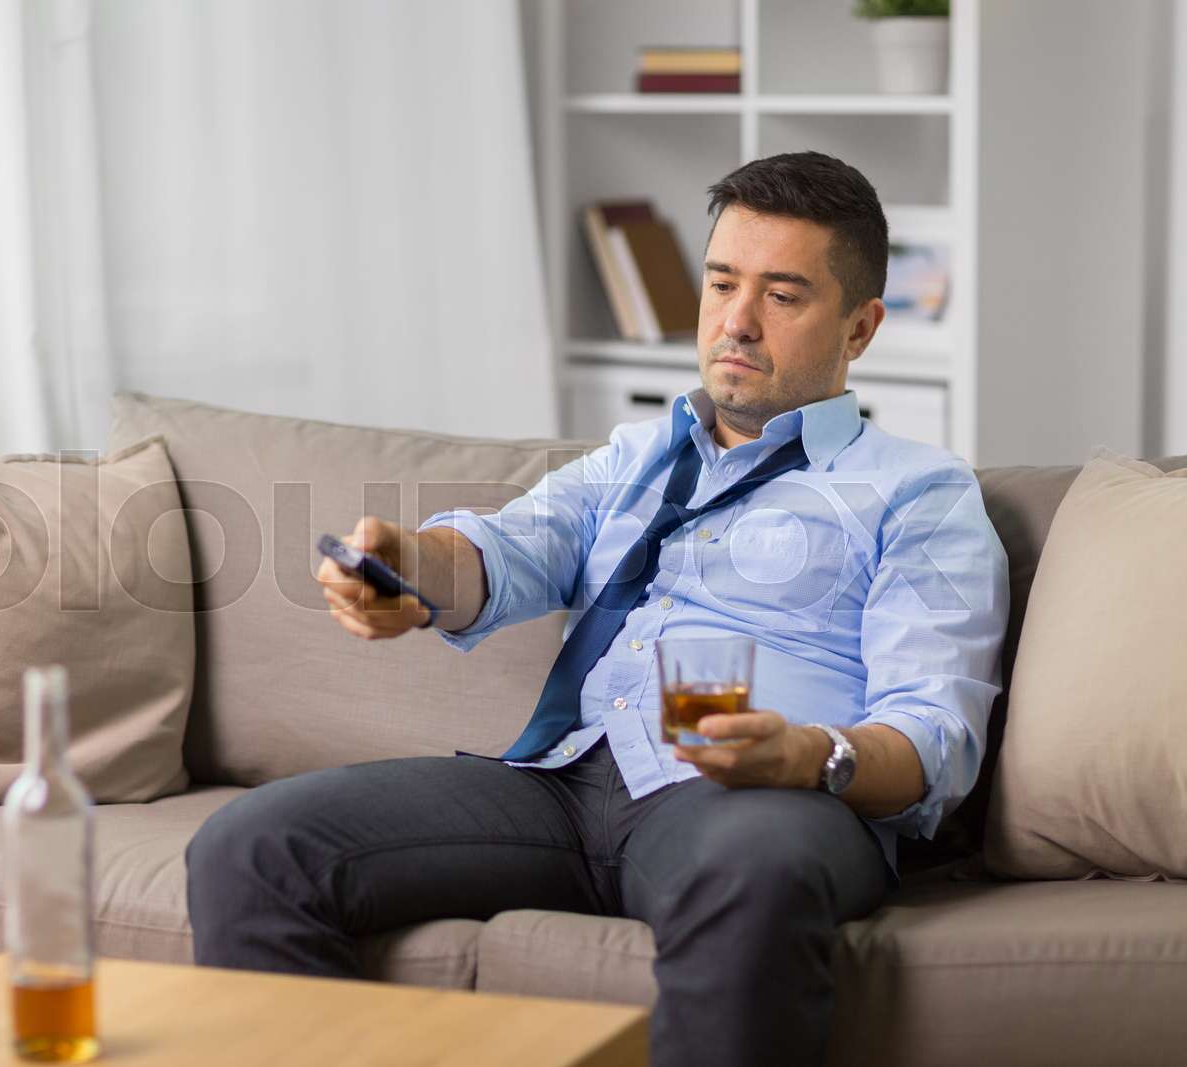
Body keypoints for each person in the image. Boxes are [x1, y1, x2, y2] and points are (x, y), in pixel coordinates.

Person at [185, 151, 1010, 1067]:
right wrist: (410, 569)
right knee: (251, 846)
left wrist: (805, 752)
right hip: (565, 782)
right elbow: (510, 549)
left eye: (782, 296)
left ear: (860, 328)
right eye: (722, 282)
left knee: (756, 872)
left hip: (754, 802)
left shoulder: (919, 494)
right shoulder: (637, 456)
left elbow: (936, 737)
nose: (735, 322)